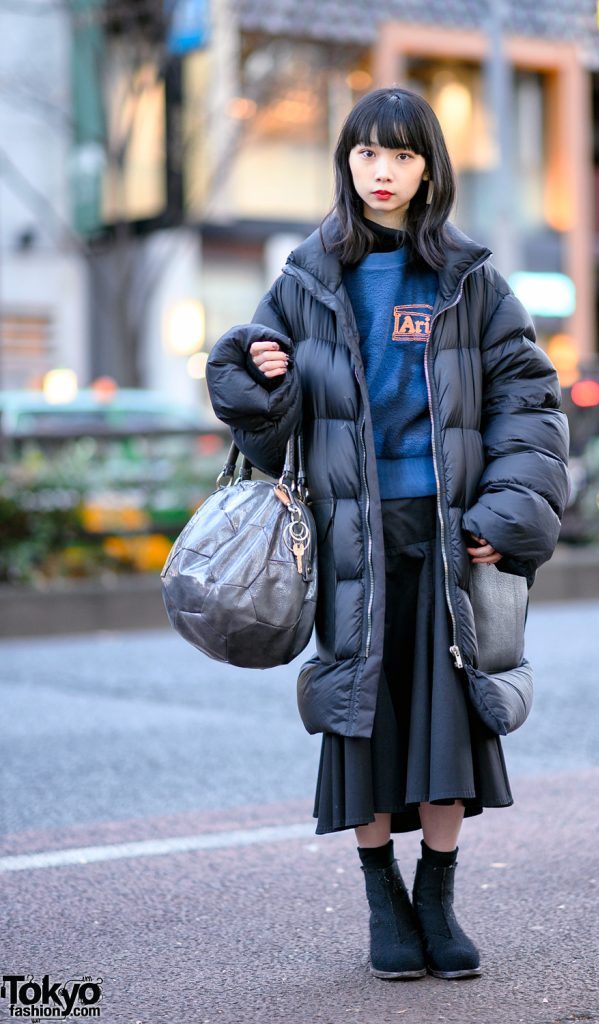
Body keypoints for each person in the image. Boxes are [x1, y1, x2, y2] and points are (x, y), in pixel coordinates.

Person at [205, 86, 569, 981]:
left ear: (428, 167)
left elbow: (530, 401)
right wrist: (261, 377)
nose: (383, 171)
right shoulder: (304, 280)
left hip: (448, 539)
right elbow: (264, 435)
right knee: (361, 725)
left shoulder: (470, 279)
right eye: (368, 153)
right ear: (346, 162)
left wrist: (506, 515)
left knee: (449, 727)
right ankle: (384, 902)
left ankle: (437, 899)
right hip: (347, 544)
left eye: (403, 154)